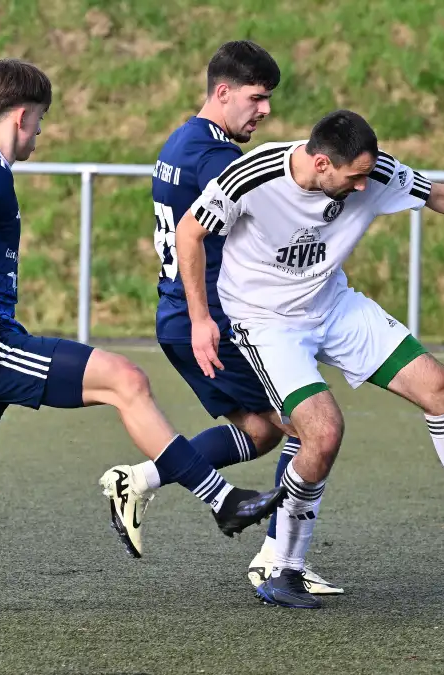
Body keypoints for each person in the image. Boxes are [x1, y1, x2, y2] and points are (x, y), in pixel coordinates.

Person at [0, 59, 283, 613]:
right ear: (21, 117)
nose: (40, 133)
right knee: (125, 380)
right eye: (40, 121)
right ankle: (222, 500)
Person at [175, 109, 444, 609]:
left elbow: (440, 195)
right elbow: (190, 232)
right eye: (355, 178)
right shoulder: (252, 176)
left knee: (442, 388)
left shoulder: (373, 172)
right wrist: (200, 318)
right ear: (321, 164)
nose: (366, 187)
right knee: (322, 432)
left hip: (332, 305)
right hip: (266, 323)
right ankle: (283, 567)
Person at [98, 41, 341, 595]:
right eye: (256, 98)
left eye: (269, 99)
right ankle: (278, 560)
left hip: (181, 315)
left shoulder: (182, 140)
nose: (266, 111)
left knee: (259, 431)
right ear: (223, 92)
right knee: (309, 428)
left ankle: (140, 479)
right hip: (211, 319)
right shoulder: (217, 160)